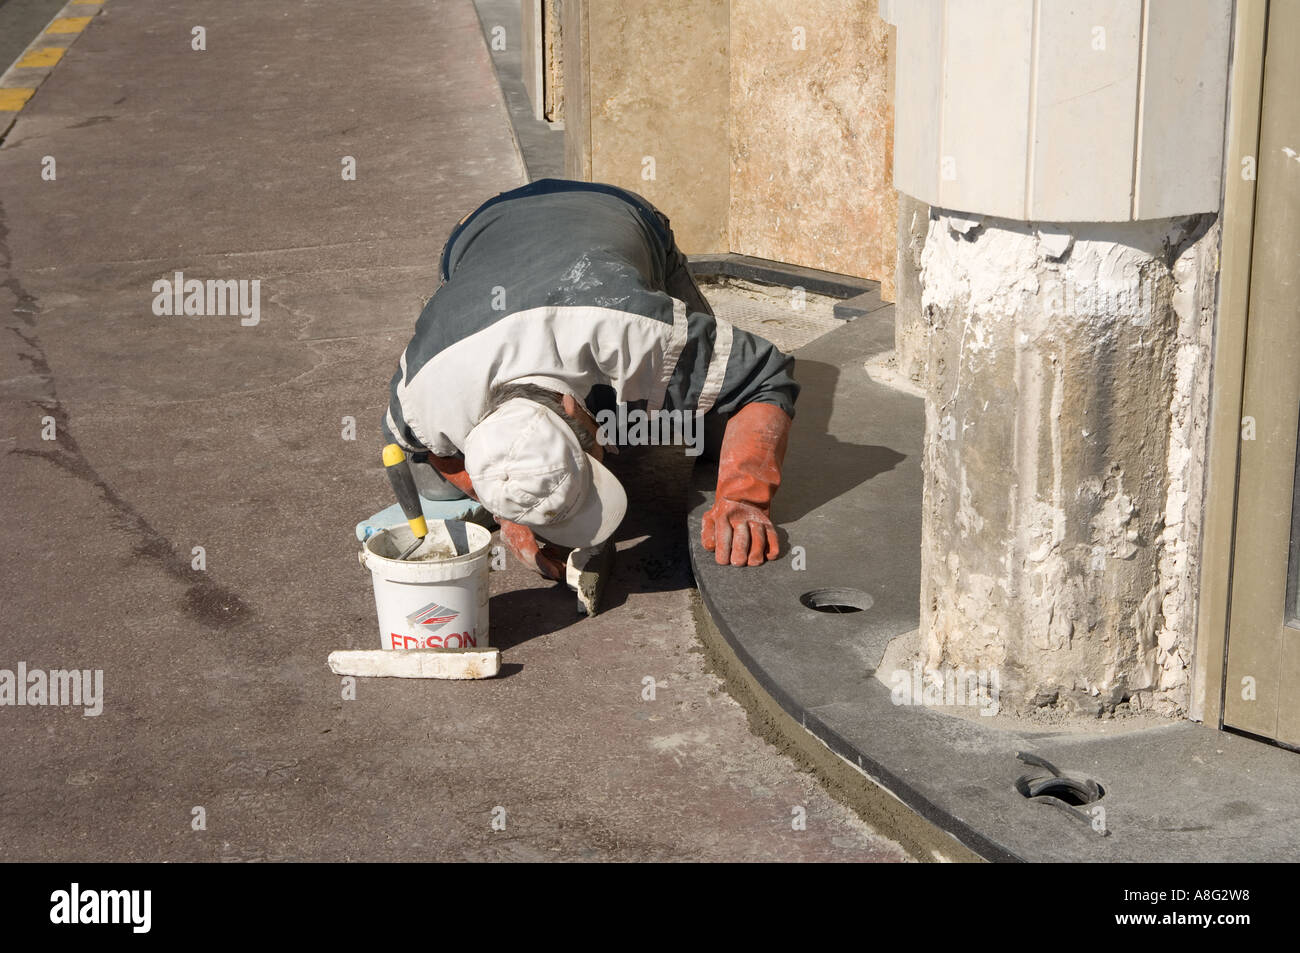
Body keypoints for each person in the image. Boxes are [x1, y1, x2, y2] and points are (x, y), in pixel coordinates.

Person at [381, 179, 799, 577]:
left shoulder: (636, 333)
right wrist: (505, 501)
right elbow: (421, 448)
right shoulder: (424, 397)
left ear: (572, 410)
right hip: (478, 230)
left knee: (709, 423)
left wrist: (742, 497)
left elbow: (764, 373)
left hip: (612, 210)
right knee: (434, 488)